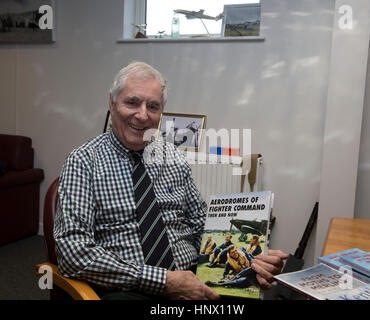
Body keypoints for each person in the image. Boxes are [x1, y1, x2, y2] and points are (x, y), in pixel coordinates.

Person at [54, 61, 288, 300]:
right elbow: (73, 253)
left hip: (193, 278)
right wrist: (163, 281)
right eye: (132, 102)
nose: (143, 115)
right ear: (112, 104)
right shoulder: (83, 161)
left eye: (153, 106)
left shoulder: (173, 156)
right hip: (129, 288)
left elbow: (200, 226)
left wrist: (252, 259)